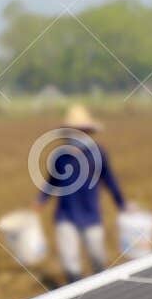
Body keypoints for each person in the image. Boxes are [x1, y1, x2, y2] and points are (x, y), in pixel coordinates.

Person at [37, 104, 126, 285]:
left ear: (88, 131)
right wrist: (41, 200)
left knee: (97, 259)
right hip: (65, 215)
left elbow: (109, 180)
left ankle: (101, 292)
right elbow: (52, 181)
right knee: (70, 263)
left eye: (81, 130)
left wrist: (122, 204)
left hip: (91, 215)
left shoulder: (98, 153)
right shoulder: (60, 156)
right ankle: (75, 294)